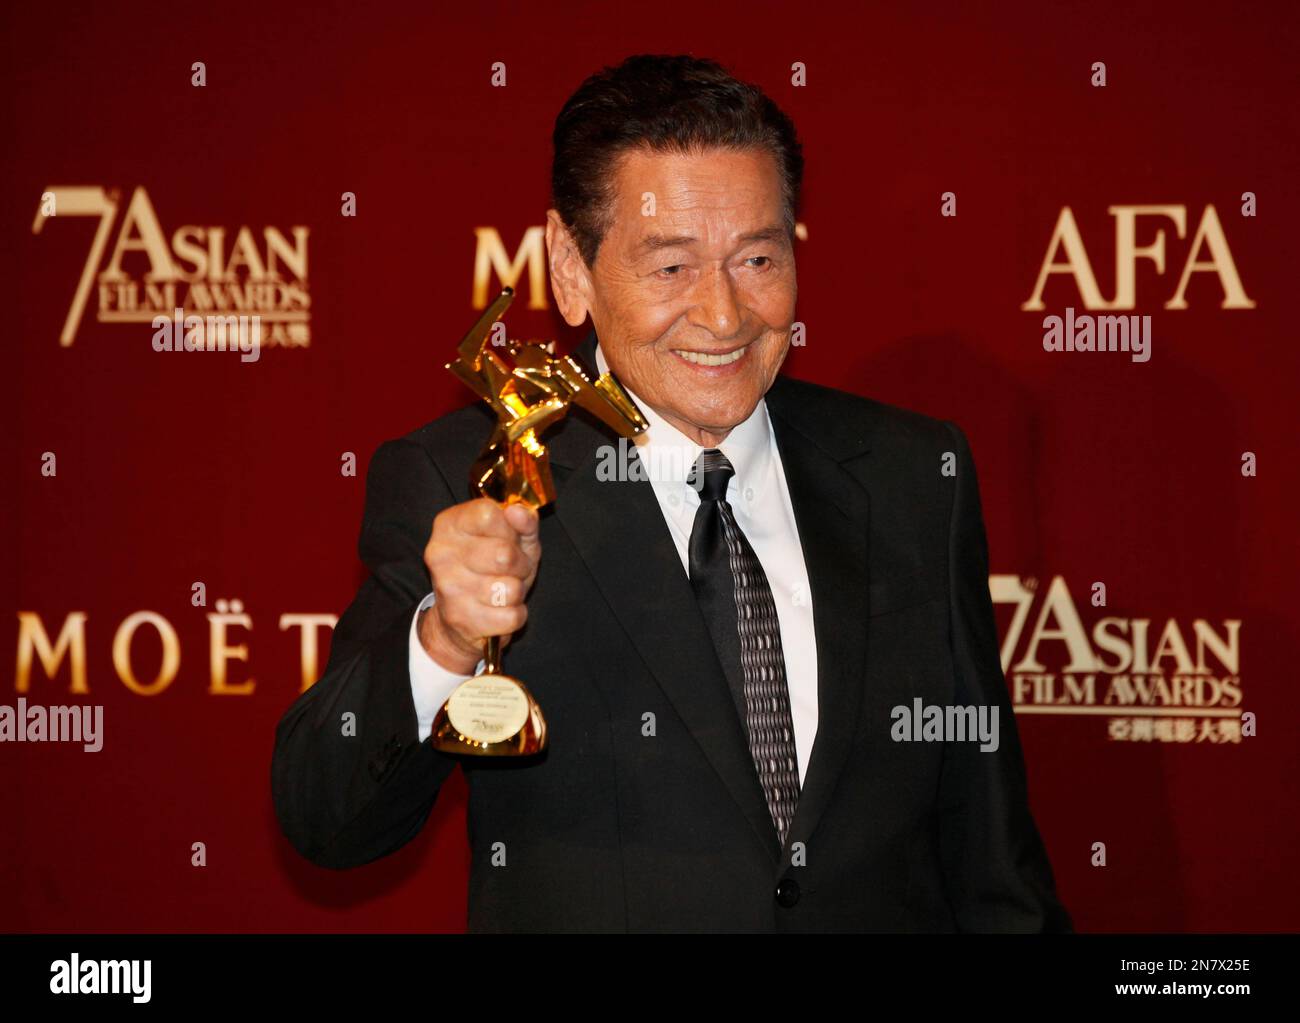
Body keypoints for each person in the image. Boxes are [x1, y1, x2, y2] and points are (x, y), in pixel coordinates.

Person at [271, 53, 1072, 933]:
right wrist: (446, 637)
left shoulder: (916, 475)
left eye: (758, 257)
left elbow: (991, 857)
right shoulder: (468, 479)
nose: (725, 316)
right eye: (671, 269)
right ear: (570, 270)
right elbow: (326, 817)